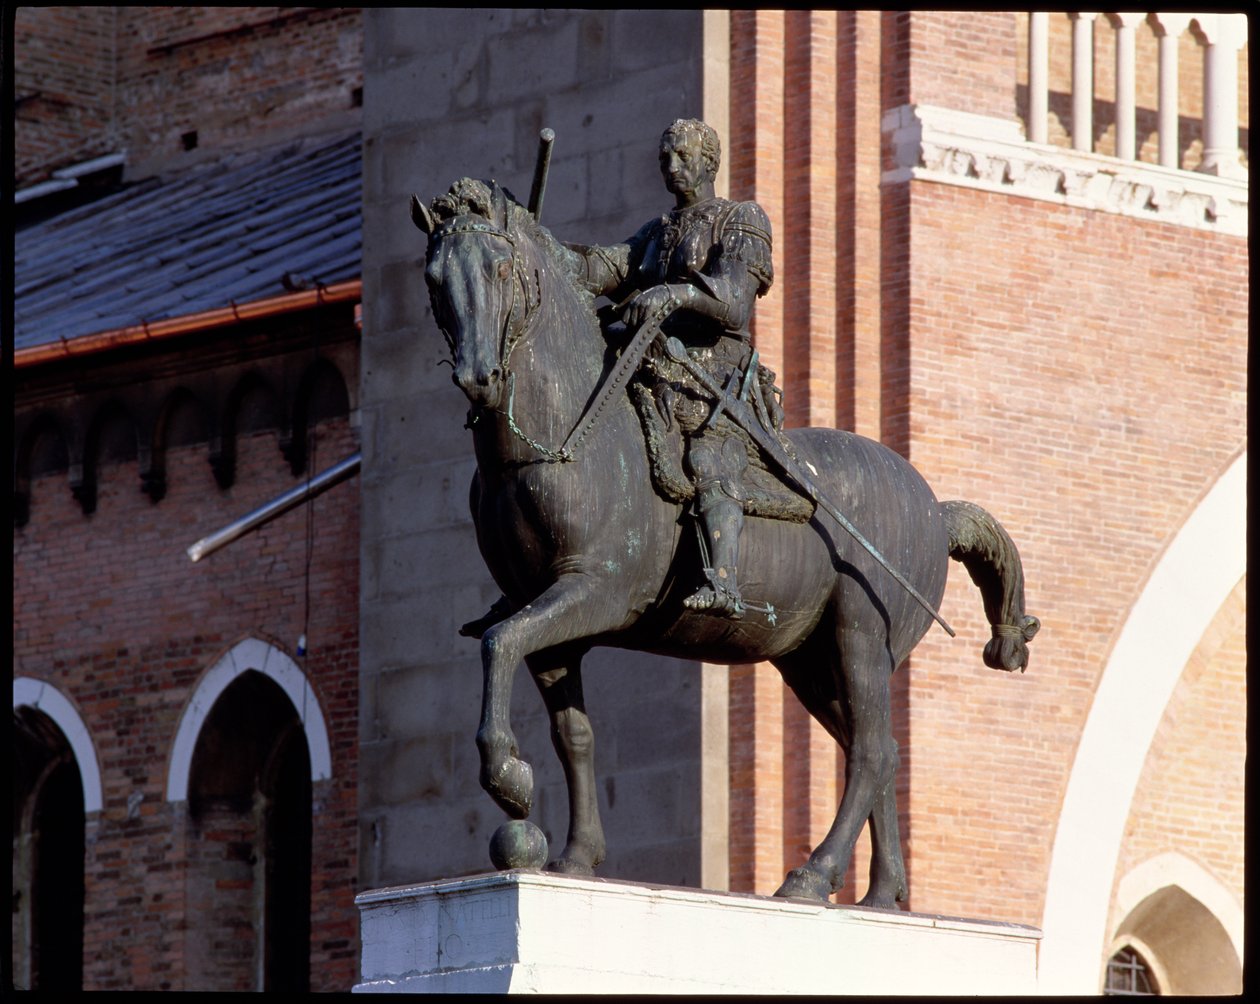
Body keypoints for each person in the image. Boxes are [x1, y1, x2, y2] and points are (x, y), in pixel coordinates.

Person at [565, 119, 778, 619]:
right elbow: (604, 267)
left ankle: (723, 580)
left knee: (708, 458)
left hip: (714, 373)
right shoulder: (657, 234)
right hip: (654, 366)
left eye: (681, 157)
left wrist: (673, 292)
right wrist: (543, 251)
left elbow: (733, 302)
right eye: (665, 159)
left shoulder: (740, 220)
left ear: (709, 161)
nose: (671, 167)